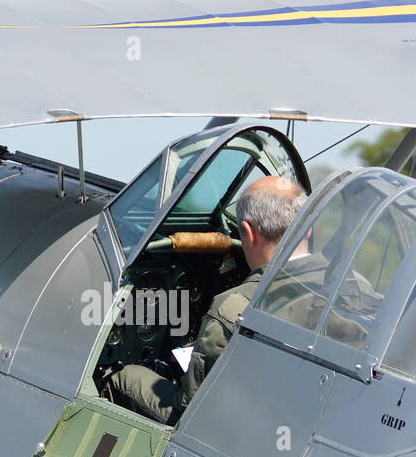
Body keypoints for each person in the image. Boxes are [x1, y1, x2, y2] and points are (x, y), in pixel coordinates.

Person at [105, 175, 316, 424]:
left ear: (248, 233)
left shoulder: (235, 307)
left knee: (121, 377)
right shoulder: (354, 286)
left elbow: (190, 412)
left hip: (242, 427)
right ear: (308, 227)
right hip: (300, 417)